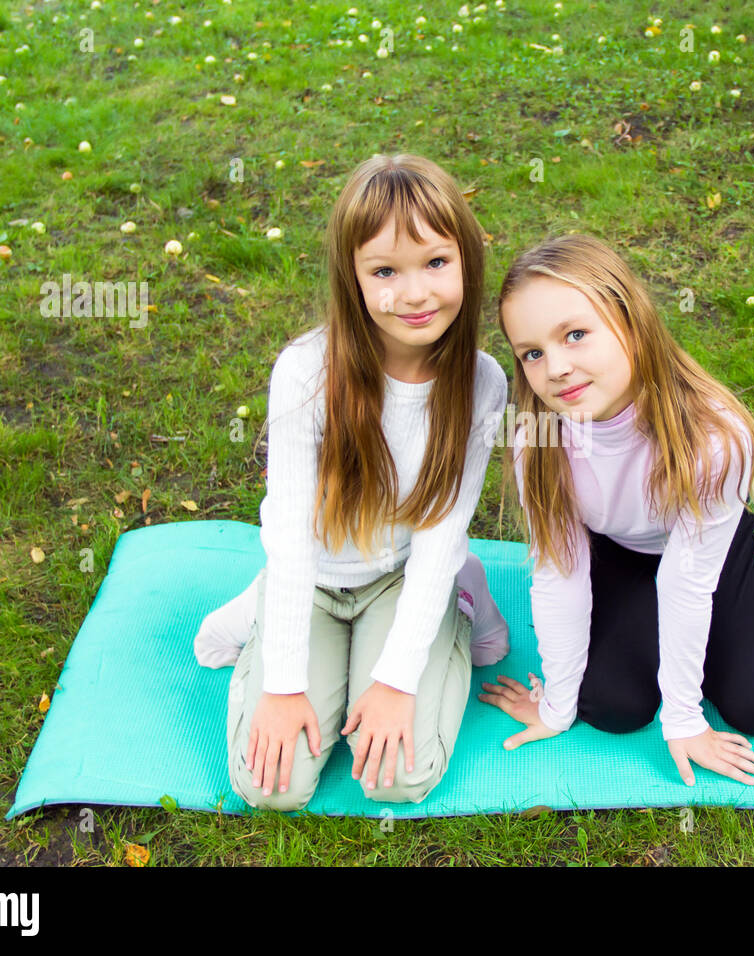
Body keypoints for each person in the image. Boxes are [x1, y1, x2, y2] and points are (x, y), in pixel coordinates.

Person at [196, 153, 509, 810]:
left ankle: (464, 592)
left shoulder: (481, 382)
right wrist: (281, 688)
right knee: (271, 788)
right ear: (353, 278)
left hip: (403, 574)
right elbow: (289, 535)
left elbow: (441, 530)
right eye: (385, 271)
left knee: (399, 778)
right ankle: (261, 612)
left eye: (435, 263)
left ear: (466, 263)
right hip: (310, 579)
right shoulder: (306, 371)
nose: (416, 293)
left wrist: (395, 680)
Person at [480, 234, 754, 787]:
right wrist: (557, 703)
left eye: (576, 335)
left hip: (703, 547)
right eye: (533, 353)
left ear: (631, 322)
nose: (556, 367)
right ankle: (636, 642)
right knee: (610, 707)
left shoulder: (714, 436)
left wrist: (683, 719)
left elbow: (685, 583)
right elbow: (559, 571)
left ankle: (716, 632)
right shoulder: (537, 441)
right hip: (615, 548)